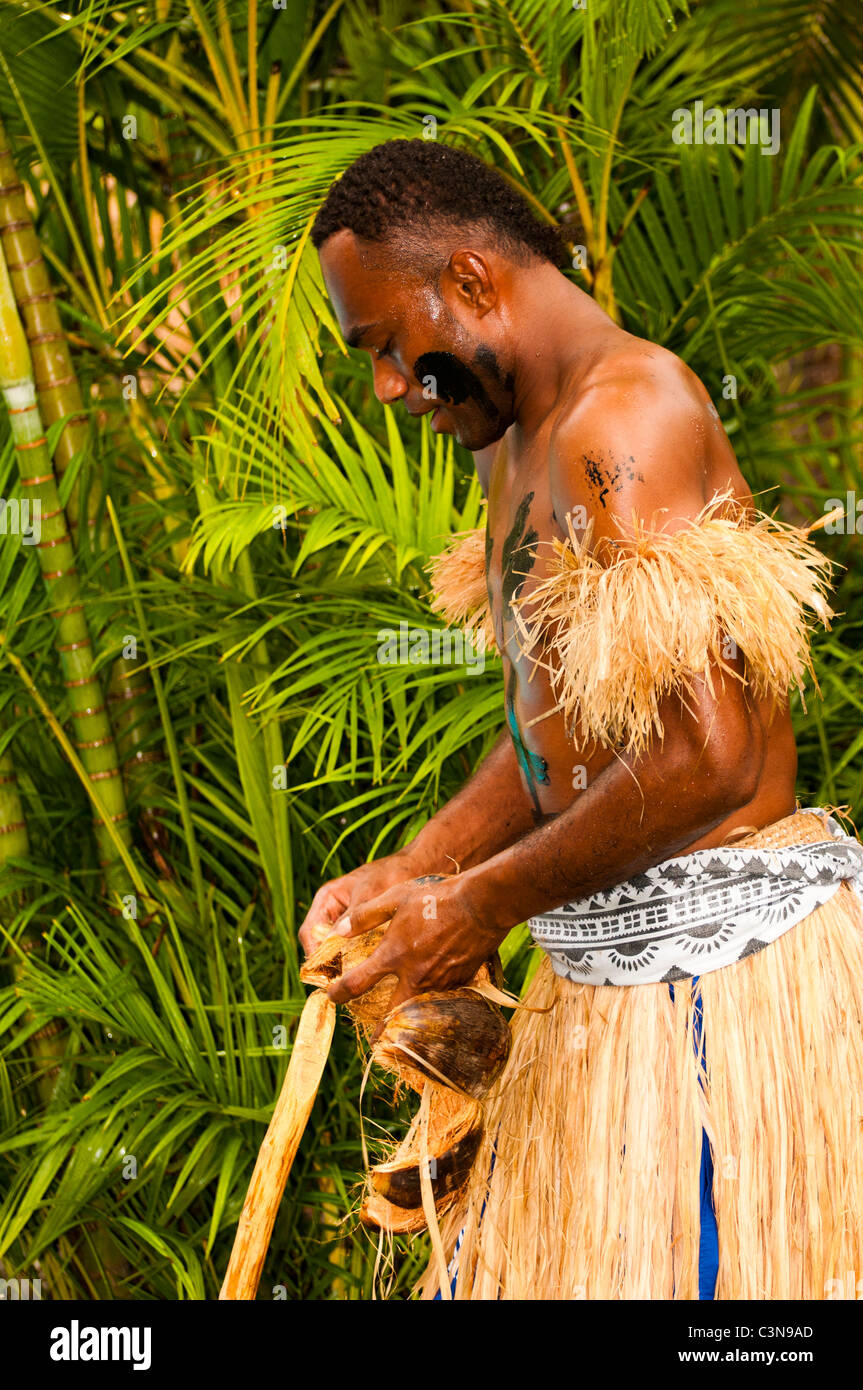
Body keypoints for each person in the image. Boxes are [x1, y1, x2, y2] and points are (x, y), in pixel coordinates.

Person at [299, 138, 863, 1299]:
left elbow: (705, 757)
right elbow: (562, 733)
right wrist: (423, 865)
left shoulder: (623, 422)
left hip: (723, 997)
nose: (391, 388)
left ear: (468, 282)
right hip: (604, 991)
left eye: (388, 348)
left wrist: (478, 905)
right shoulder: (516, 442)